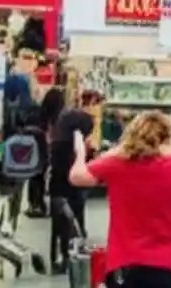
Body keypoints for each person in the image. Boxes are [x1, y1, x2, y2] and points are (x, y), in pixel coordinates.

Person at [69, 111, 171, 288]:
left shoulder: (117, 163)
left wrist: (81, 151)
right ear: (168, 136)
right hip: (166, 267)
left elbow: (76, 177)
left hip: (124, 265)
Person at [47, 90, 103, 274]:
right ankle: (71, 254)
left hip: (57, 183)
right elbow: (81, 161)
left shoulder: (59, 137)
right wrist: (82, 152)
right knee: (73, 217)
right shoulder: (78, 136)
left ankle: (58, 257)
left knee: (58, 222)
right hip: (72, 183)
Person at [23, 88, 66, 218]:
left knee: (35, 177)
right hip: (45, 150)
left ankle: (34, 204)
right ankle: (39, 204)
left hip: (32, 150)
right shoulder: (58, 118)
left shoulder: (36, 113)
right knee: (42, 177)